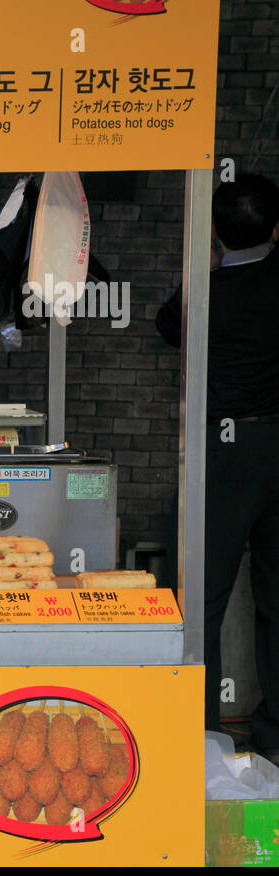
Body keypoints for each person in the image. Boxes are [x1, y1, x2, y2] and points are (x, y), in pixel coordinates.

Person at [156, 172, 279, 761]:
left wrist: (206, 267)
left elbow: (166, 326)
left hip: (229, 449)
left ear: (216, 234)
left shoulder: (207, 294)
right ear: (277, 228)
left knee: (203, 594)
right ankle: (274, 731)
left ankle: (199, 732)